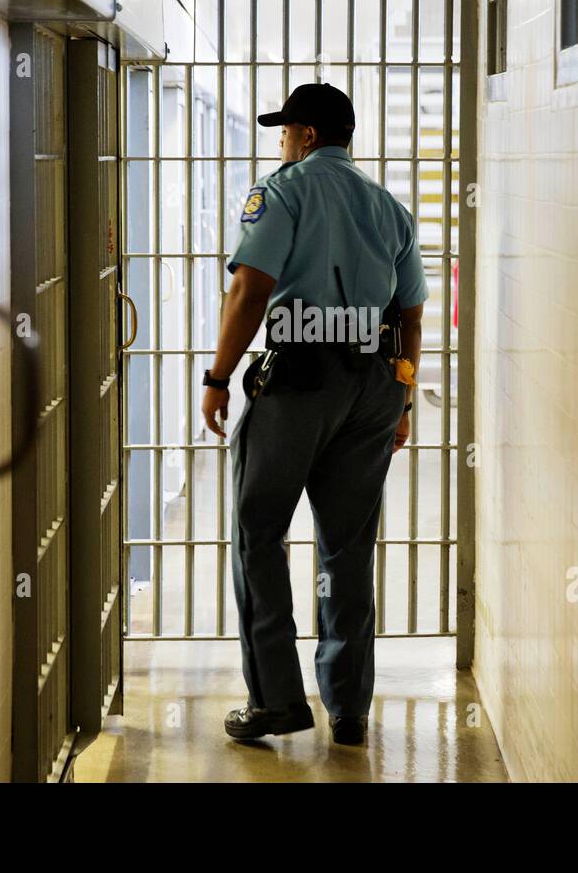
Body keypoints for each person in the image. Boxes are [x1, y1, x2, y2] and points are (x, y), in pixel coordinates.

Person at [200, 82, 427, 747]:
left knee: (259, 532)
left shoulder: (284, 191)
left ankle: (276, 702)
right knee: (349, 548)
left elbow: (249, 290)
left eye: (284, 132)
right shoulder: (389, 208)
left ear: (303, 135)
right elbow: (410, 317)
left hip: (299, 382)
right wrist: (403, 400)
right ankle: (349, 708)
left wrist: (217, 378)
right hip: (374, 386)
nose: (281, 143)